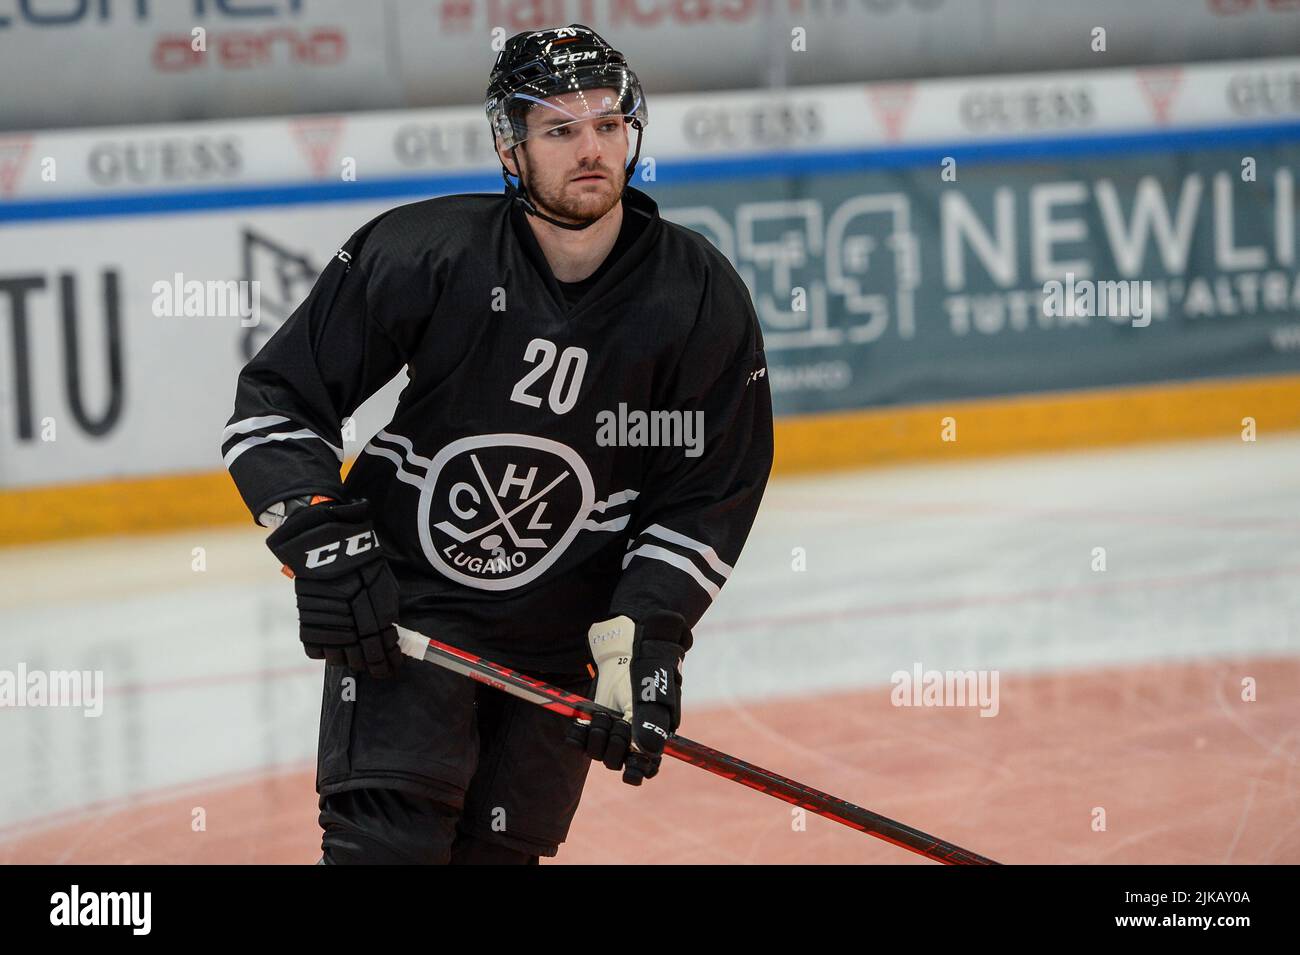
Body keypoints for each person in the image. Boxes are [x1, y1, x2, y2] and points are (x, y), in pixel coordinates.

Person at [220, 24, 773, 864]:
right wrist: (324, 537)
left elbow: (706, 493)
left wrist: (649, 633)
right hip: (409, 623)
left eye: (607, 124)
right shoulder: (423, 254)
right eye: (560, 129)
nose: (591, 148)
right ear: (512, 148)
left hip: (563, 645)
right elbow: (277, 401)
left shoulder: (698, 298)